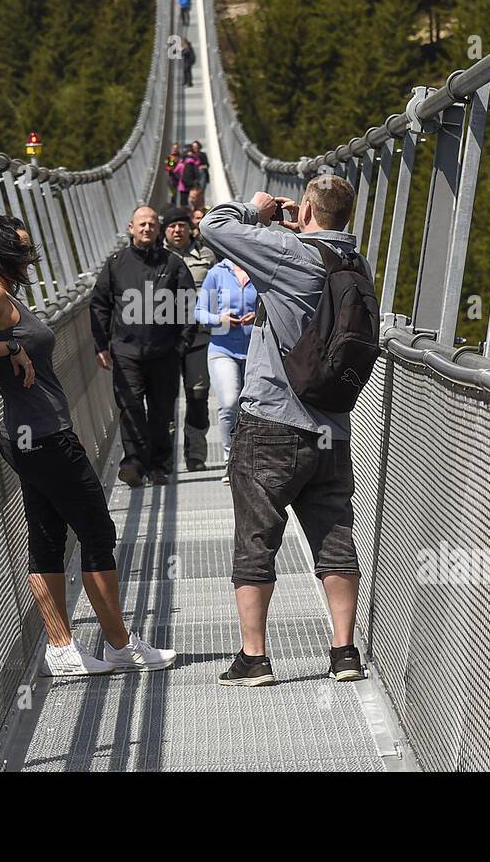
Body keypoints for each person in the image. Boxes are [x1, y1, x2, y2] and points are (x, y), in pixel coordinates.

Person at [0, 214, 176, 676]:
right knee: (96, 532)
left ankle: (61, 649)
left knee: (48, 539)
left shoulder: (5, 296)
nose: (30, 259)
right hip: (45, 438)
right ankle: (119, 645)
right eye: (22, 251)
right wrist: (9, 349)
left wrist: (10, 348)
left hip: (28, 436)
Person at [198, 175, 370, 688]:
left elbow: (213, 225)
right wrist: (304, 226)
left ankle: (255, 658)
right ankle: (344, 653)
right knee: (335, 540)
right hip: (333, 428)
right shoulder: (357, 265)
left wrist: (258, 209)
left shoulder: (288, 253)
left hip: (272, 419)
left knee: (255, 539)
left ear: (309, 210)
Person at [90, 205, 196, 488]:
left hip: (165, 353)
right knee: (131, 408)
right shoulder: (115, 264)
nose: (147, 228)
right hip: (126, 353)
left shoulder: (173, 264)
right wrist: (101, 345)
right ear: (131, 228)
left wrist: (182, 343)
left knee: (161, 411)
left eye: (152, 224)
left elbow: (188, 304)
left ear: (157, 229)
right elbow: (99, 304)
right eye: (142, 224)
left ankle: (160, 465)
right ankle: (134, 464)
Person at [195, 258, 257, 484]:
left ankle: (253, 460)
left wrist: (260, 316)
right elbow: (199, 312)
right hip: (223, 349)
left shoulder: (260, 268)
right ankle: (231, 460)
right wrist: (218, 319)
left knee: (257, 408)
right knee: (230, 403)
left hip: (256, 351)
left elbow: (275, 307)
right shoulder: (217, 273)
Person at [163, 206, 216, 472]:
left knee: (198, 397)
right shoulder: (153, 257)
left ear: (189, 228)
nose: (177, 230)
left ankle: (195, 455)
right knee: (164, 399)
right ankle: (166, 458)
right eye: (172, 225)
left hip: (199, 338)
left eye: (182, 225)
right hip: (165, 341)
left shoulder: (207, 255)